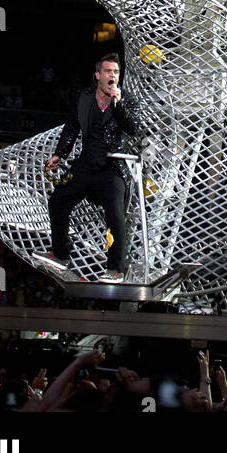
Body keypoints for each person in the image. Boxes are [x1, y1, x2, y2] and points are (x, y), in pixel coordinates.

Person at [35, 54, 140, 283]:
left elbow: (133, 128)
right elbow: (72, 128)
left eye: (116, 72)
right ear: (98, 75)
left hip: (112, 164)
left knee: (115, 214)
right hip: (85, 163)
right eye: (108, 71)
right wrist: (59, 154)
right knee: (58, 201)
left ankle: (115, 269)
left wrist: (118, 103)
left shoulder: (126, 99)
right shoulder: (83, 97)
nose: (113, 76)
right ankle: (61, 254)